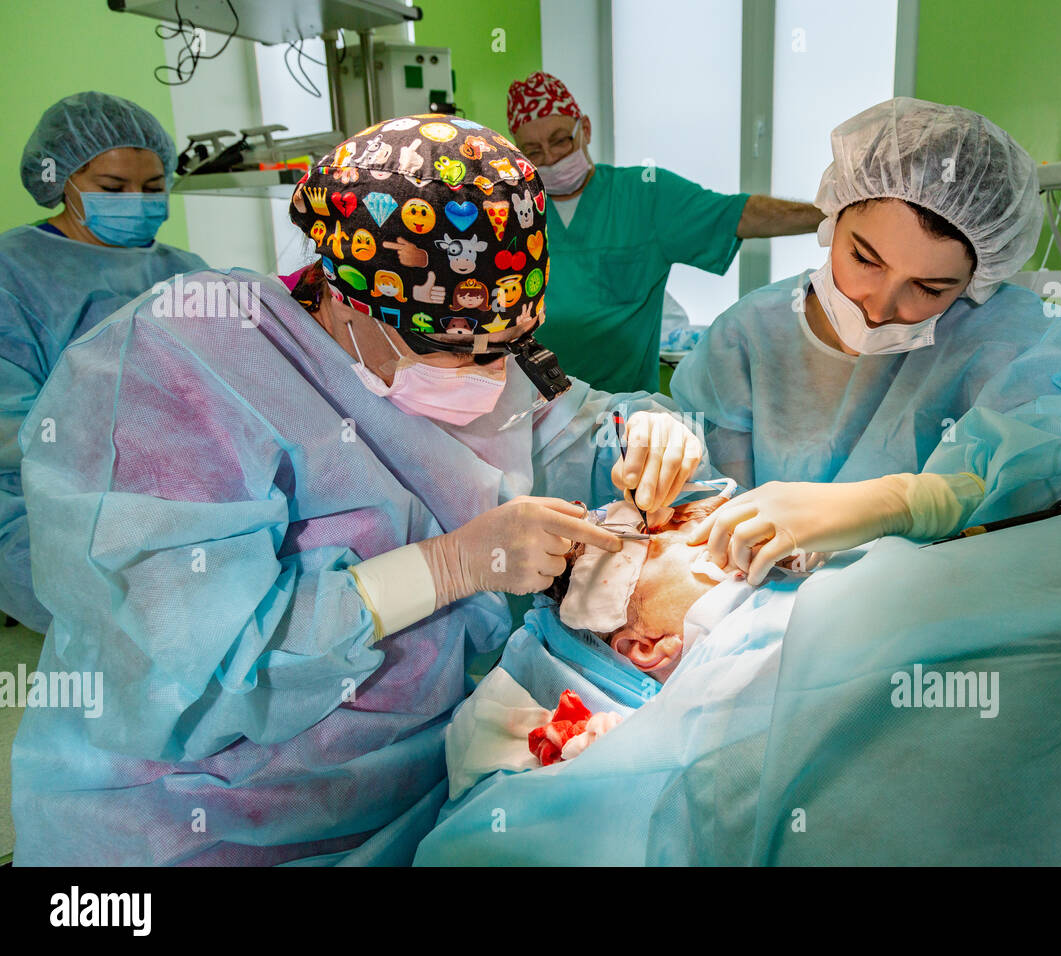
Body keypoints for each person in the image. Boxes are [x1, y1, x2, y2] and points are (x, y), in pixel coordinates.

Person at [10, 112, 706, 866]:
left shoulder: (470, 334)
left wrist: (644, 430)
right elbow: (194, 668)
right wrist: (448, 567)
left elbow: (570, 422)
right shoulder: (182, 367)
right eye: (456, 349)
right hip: (206, 816)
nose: (487, 375)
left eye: (506, 346)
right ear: (348, 297)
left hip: (419, 785)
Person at [671, 98, 1061, 584]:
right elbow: (706, 500)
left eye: (930, 288)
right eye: (864, 259)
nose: (880, 307)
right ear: (832, 220)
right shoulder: (748, 336)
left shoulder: (1009, 338)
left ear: (979, 278)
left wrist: (908, 502)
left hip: (923, 619)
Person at [0, 91, 206, 632]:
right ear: (61, 181)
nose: (136, 201)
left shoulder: (186, 270)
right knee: (137, 625)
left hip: (187, 478)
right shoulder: (13, 272)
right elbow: (12, 431)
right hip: (46, 493)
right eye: (113, 189)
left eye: (154, 188)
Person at [506, 71, 824, 394]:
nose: (550, 158)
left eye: (560, 141)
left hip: (623, 412)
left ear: (585, 129)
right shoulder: (513, 214)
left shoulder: (645, 195)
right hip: (535, 410)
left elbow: (737, 215)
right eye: (533, 150)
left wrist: (833, 212)